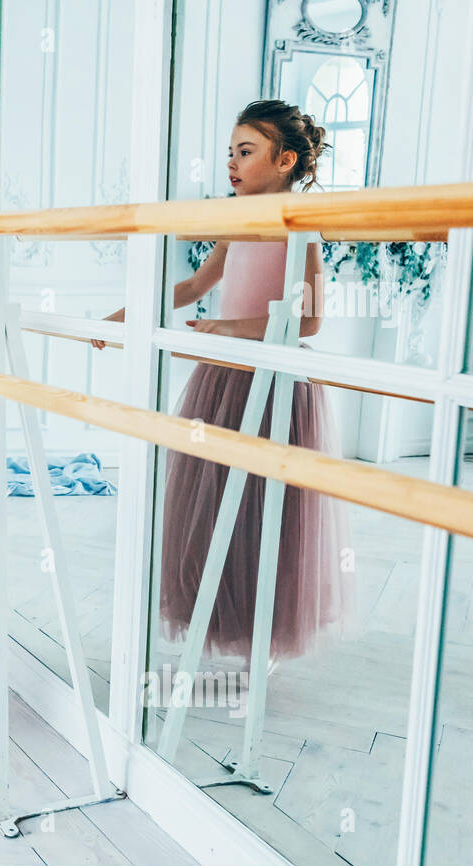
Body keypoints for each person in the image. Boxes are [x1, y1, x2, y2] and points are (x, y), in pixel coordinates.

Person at [95, 99, 355, 666]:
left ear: (285, 160)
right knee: (214, 498)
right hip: (224, 375)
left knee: (265, 501)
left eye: (245, 152)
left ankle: (263, 618)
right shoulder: (238, 223)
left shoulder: (298, 230)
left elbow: (308, 319)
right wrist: (123, 317)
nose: (231, 165)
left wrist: (233, 325)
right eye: (229, 154)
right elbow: (191, 288)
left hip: (273, 379)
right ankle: (220, 608)